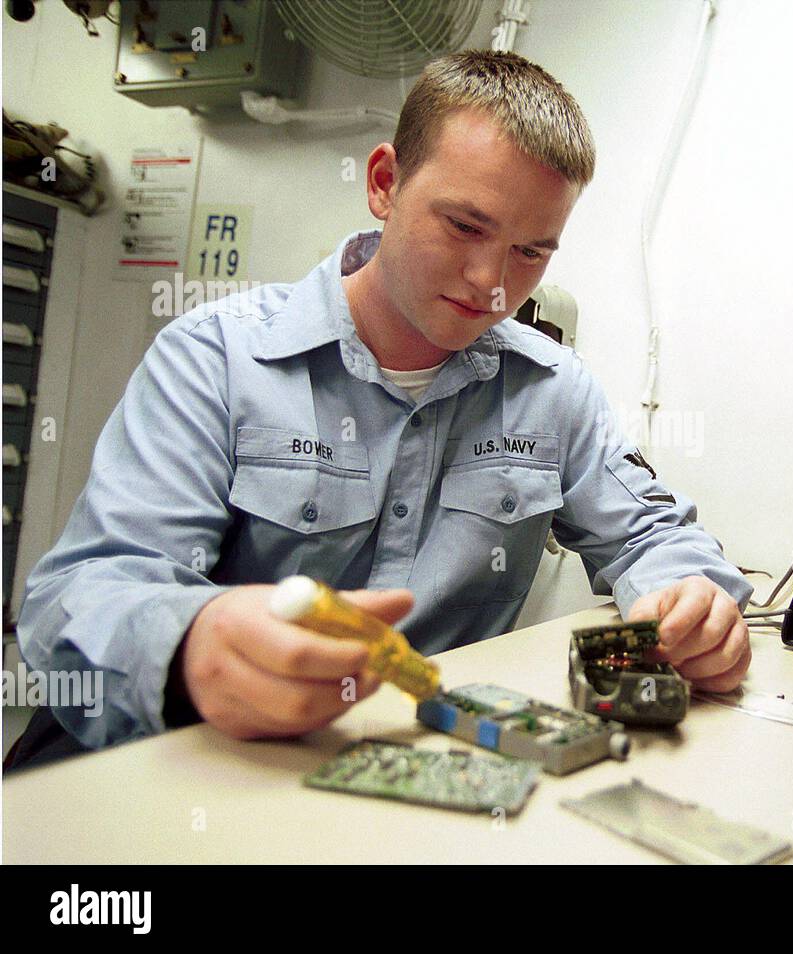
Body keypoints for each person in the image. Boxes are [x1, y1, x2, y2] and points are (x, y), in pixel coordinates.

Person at [10, 51, 752, 765]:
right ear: (384, 181)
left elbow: (651, 536)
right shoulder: (215, 358)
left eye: (531, 252)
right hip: (176, 765)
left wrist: (691, 602)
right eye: (465, 226)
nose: (490, 281)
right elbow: (82, 592)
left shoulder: (554, 390)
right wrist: (192, 643)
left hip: (392, 781)